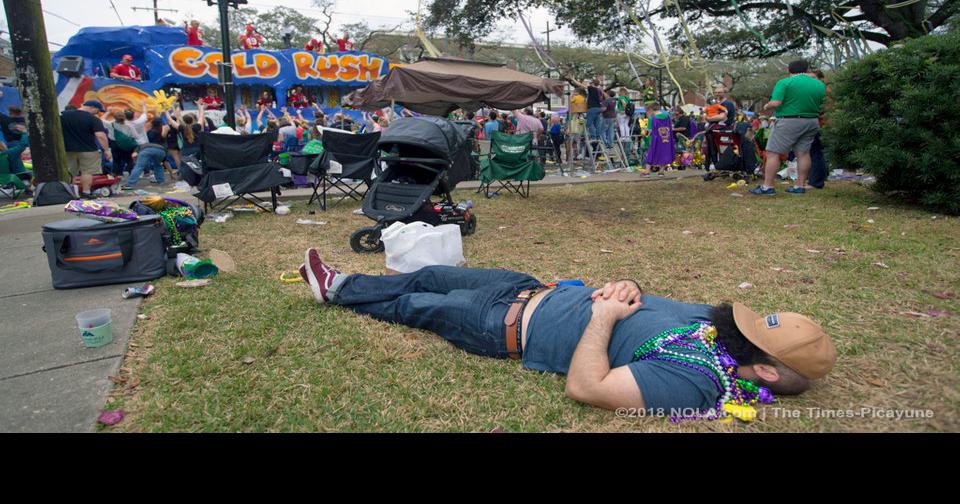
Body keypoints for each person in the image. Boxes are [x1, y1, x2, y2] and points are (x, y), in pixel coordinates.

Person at [296, 250, 837, 415]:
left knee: (416, 304)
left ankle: (337, 292)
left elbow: (586, 389)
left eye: (750, 333)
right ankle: (344, 282)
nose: (736, 324)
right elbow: (643, 298)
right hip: (530, 287)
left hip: (504, 326)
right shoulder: (719, 327)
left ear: (766, 372)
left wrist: (604, 318)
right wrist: (629, 285)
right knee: (432, 273)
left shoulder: (696, 381)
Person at [750, 60, 826, 196]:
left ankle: (767, 186)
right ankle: (799, 186)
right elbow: (822, 103)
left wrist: (767, 105)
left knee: (773, 152)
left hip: (789, 120)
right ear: (807, 70)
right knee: (803, 153)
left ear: (789, 70)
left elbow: (776, 102)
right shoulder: (819, 84)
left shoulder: (785, 82)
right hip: (812, 121)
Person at [61, 100, 111, 197]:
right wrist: (106, 150)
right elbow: (101, 136)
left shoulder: (64, 116)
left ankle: (69, 192)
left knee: (70, 172)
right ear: (93, 107)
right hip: (89, 149)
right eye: (98, 111)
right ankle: (86, 192)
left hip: (68, 149)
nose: (97, 113)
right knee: (87, 172)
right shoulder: (93, 119)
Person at [123, 118, 168, 189]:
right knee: (158, 165)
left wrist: (135, 153)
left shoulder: (147, 133)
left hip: (146, 148)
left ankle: (129, 184)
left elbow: (138, 146)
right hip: (161, 150)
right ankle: (161, 181)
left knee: (139, 166)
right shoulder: (162, 131)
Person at [805, 69, 831, 190]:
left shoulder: (825, 91)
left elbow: (826, 109)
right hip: (816, 123)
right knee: (815, 151)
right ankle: (819, 177)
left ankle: (816, 182)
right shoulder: (819, 90)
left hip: (822, 124)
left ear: (821, 79)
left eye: (813, 78)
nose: (810, 81)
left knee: (816, 152)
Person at [105, 111, 137, 176]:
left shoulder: (110, 124)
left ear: (114, 117)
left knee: (116, 160)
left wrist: (108, 112)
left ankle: (116, 174)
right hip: (126, 143)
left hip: (114, 143)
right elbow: (135, 136)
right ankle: (132, 174)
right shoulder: (129, 125)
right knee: (129, 160)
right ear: (124, 117)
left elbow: (101, 119)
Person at [566, 88, 587, 162]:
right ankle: (576, 156)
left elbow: (571, 103)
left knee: (569, 143)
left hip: (572, 130)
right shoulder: (583, 100)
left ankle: (568, 158)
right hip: (579, 130)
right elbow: (581, 123)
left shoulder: (573, 112)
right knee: (576, 143)